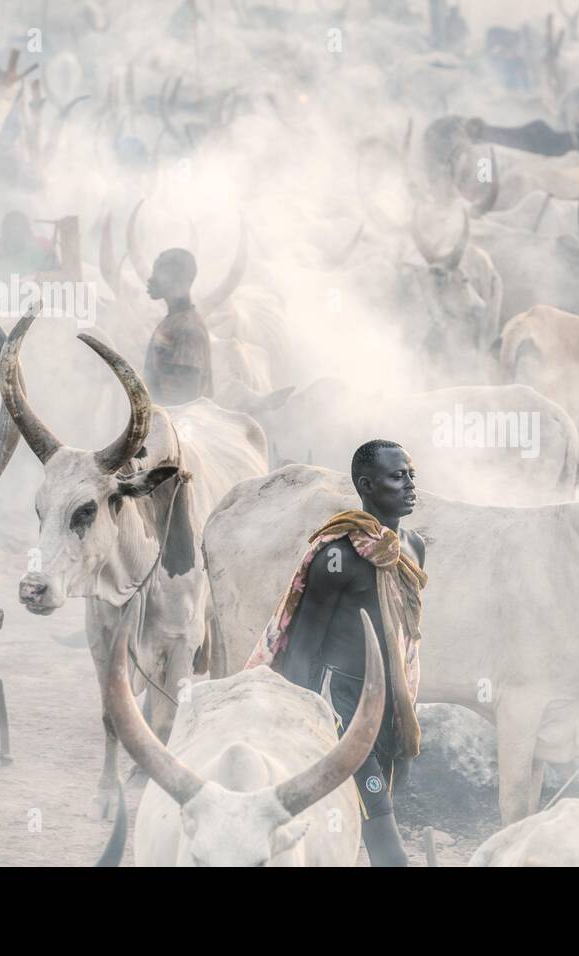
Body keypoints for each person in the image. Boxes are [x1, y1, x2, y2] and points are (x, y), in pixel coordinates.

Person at [244, 440, 428, 867]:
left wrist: (406, 710)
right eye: (398, 477)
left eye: (411, 475)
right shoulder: (338, 556)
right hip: (340, 706)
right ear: (366, 485)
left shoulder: (413, 547)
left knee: (349, 821)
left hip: (389, 705)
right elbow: (303, 645)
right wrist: (294, 728)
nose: (410, 485)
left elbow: (407, 640)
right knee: (382, 828)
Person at [142, 247, 213, 405]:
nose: (150, 279)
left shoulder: (186, 330)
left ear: (176, 280)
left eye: (157, 272)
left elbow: (184, 405)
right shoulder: (175, 322)